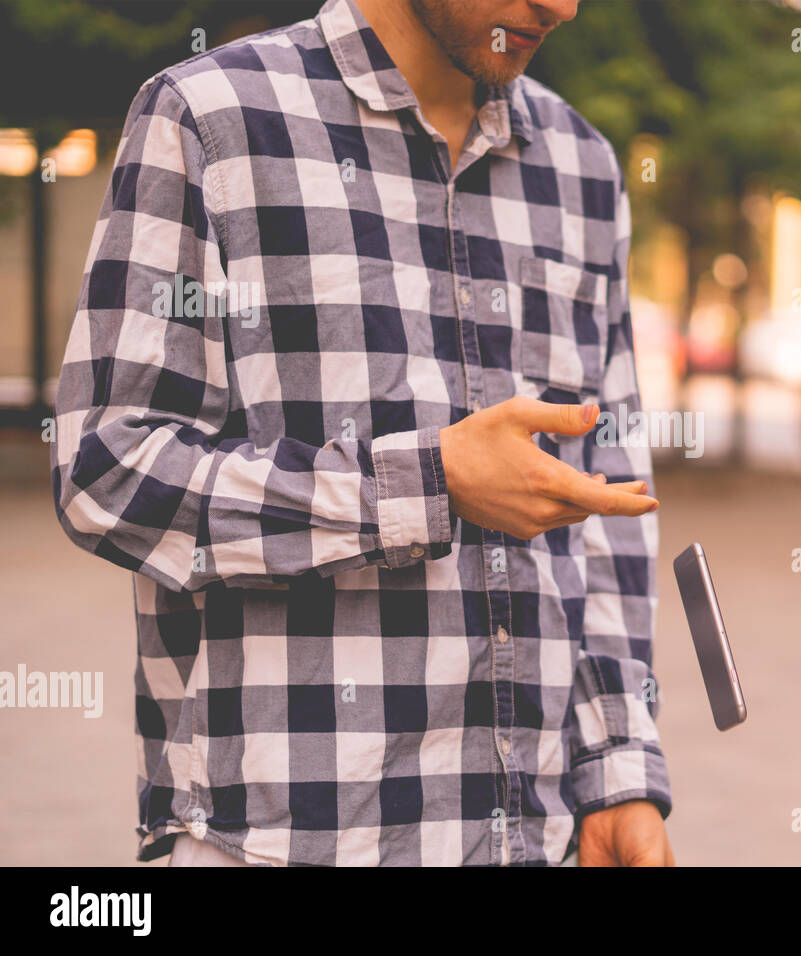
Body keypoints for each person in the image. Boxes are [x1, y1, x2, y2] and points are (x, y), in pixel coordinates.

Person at [50, 0, 674, 867]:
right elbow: (105, 469)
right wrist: (420, 489)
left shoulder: (583, 167)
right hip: (277, 840)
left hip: (532, 839)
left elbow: (608, 505)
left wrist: (617, 776)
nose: (561, 6)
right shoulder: (212, 118)